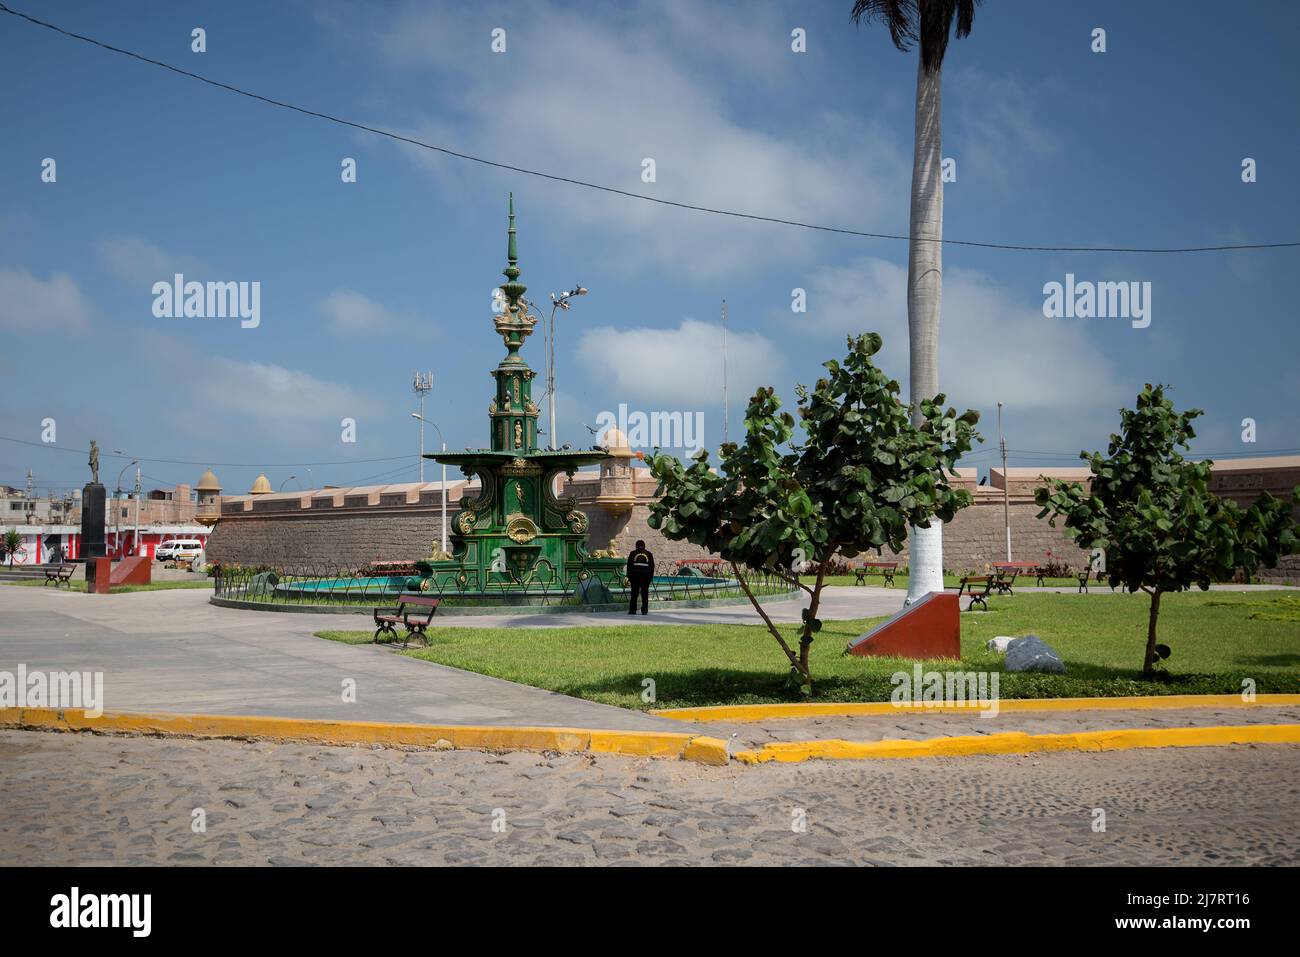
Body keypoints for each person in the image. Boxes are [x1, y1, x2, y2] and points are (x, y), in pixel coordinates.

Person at [625, 540, 654, 615]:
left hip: (635, 577)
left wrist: (629, 577)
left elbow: (629, 566)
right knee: (645, 594)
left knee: (634, 594)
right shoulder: (649, 554)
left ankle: (632, 610)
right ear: (644, 546)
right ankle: (644, 611)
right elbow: (652, 567)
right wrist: (650, 578)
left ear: (636, 546)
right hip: (645, 577)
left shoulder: (633, 553)